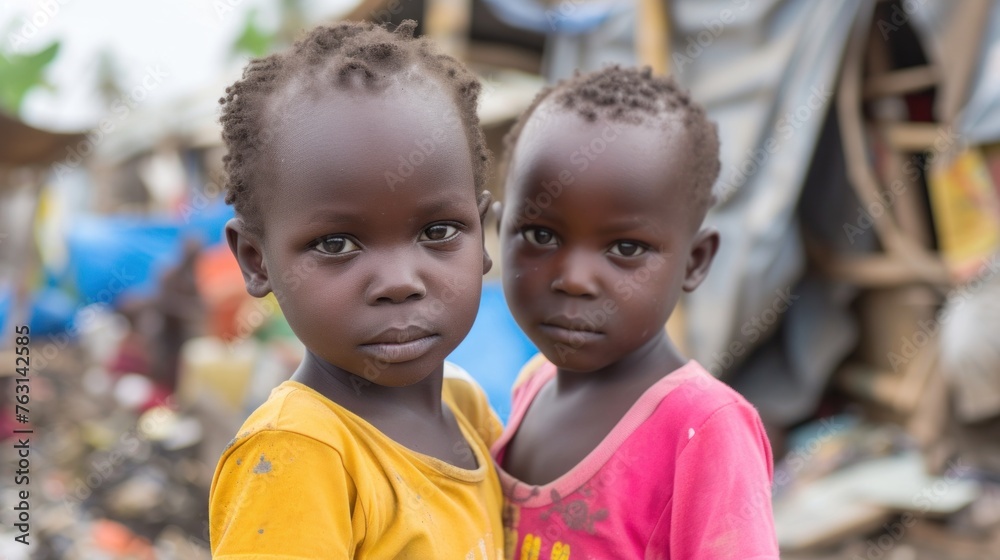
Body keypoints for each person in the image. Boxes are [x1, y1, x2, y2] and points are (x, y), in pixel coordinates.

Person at [209, 20, 505, 559]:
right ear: (257, 261)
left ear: (483, 234)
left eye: (437, 233)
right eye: (337, 243)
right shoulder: (300, 453)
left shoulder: (466, 409)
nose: (398, 282)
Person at [492, 66, 779, 559]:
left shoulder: (703, 429)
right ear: (499, 231)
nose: (575, 278)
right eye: (542, 235)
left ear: (694, 261)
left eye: (626, 247)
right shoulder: (532, 384)